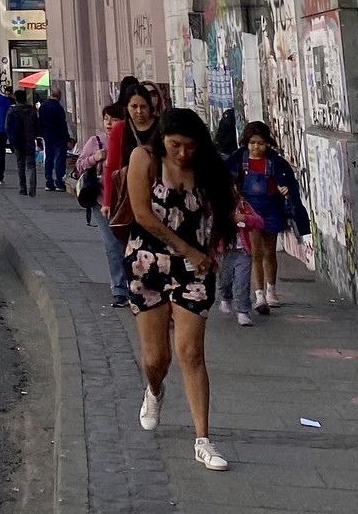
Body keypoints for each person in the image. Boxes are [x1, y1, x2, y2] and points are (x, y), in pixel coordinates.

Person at [125, 106, 236, 472]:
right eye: (175, 145)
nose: (183, 153)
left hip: (195, 269)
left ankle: (203, 439)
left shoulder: (206, 166)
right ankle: (154, 390)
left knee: (191, 352)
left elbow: (220, 211)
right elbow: (142, 214)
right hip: (148, 264)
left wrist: (214, 248)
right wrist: (187, 248)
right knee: (157, 359)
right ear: (163, 139)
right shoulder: (144, 159)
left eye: (189, 146)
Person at [230, 120, 308, 312]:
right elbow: (227, 178)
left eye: (260, 143)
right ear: (246, 143)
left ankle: (271, 290)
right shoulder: (238, 160)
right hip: (250, 211)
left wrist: (284, 190)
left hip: (272, 209)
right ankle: (259, 295)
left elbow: (289, 184)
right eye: (252, 143)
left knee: (269, 252)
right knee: (255, 252)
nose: (256, 147)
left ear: (267, 143)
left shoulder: (276, 162)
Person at [103, 79, 161, 308]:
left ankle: (155, 287)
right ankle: (134, 287)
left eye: (143, 107)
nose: (139, 112)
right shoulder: (121, 129)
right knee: (131, 244)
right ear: (126, 107)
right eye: (133, 107)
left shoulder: (161, 126)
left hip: (159, 192)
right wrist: (108, 201)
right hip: (128, 194)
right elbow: (112, 166)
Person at [73, 110, 112, 229]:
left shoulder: (129, 142)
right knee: (112, 245)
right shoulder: (96, 141)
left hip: (125, 201)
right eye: (106, 119)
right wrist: (94, 158)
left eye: (114, 119)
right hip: (100, 197)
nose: (109, 123)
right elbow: (79, 166)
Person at [7, 89, 41, 196]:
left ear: (16, 99)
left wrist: (10, 140)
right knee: (31, 165)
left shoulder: (12, 111)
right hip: (29, 141)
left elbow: (7, 127)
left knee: (20, 164)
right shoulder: (32, 111)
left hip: (18, 141)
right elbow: (37, 126)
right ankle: (33, 189)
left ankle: (23, 188)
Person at [38, 86, 71, 192]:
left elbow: (40, 121)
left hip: (47, 135)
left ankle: (49, 181)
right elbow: (62, 124)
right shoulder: (59, 108)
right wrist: (67, 138)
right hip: (58, 135)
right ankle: (59, 182)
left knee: (49, 158)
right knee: (59, 159)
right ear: (59, 96)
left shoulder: (43, 106)